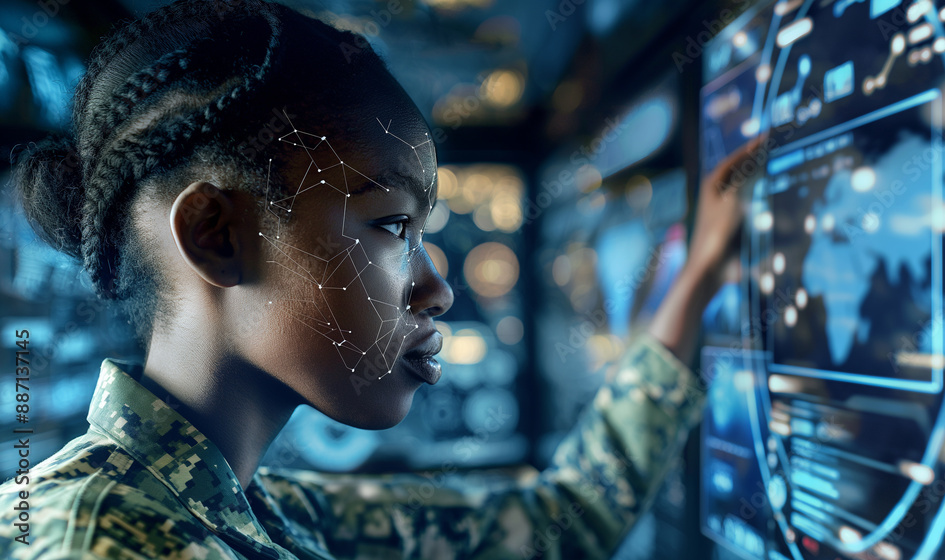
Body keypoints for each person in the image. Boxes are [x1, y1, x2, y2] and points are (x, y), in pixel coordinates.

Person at [0, 0, 766, 557]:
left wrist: (697, 276)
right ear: (217, 237)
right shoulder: (98, 545)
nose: (439, 289)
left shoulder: (247, 507)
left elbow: (555, 524)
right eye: (393, 227)